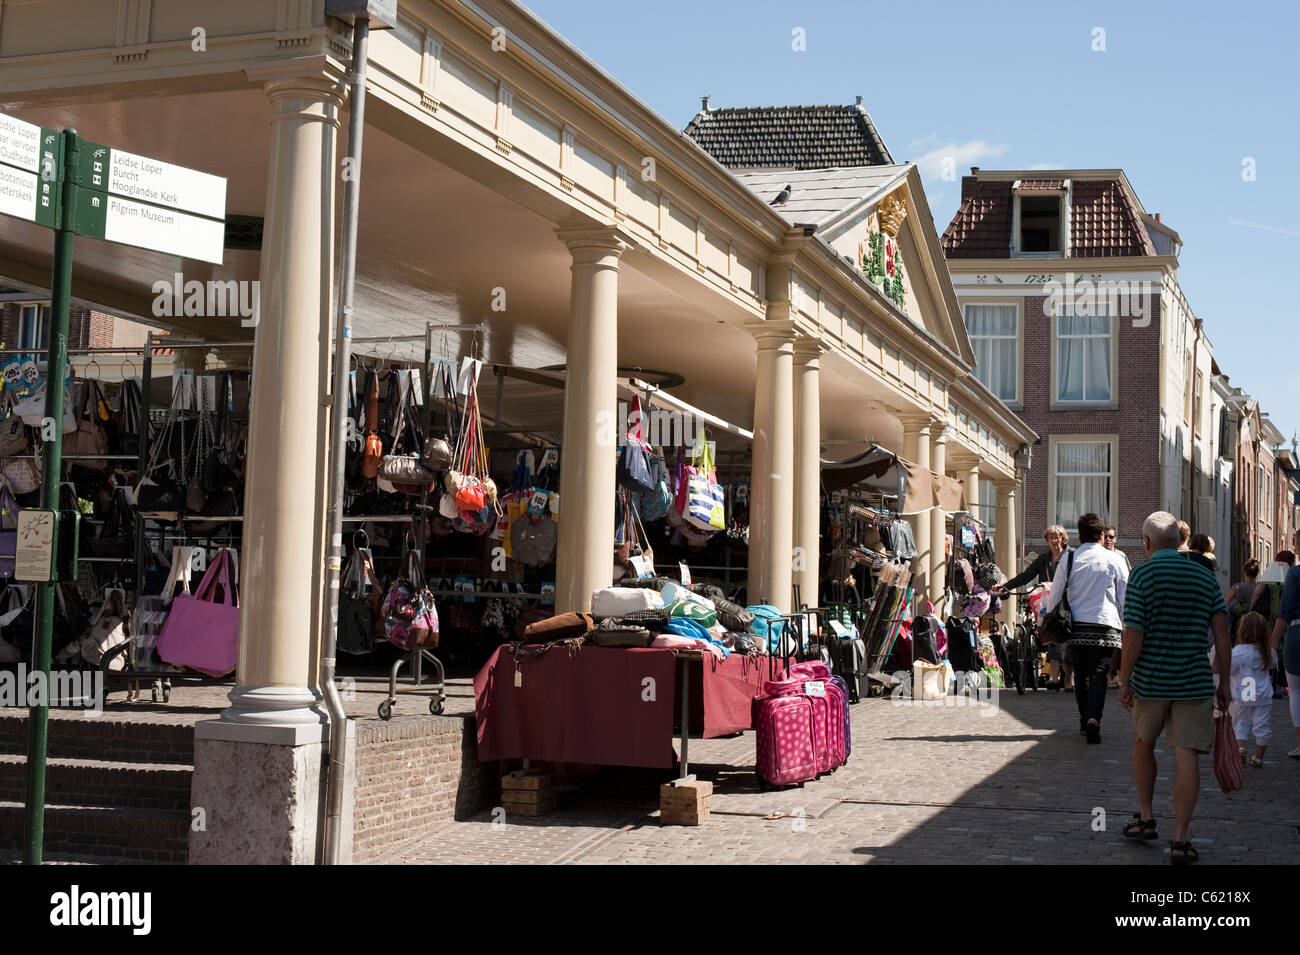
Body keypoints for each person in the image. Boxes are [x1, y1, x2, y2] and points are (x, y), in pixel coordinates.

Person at [1118, 511, 1232, 865]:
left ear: (1147, 543)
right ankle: (1181, 839)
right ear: (1179, 541)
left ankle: (1147, 816)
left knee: (1143, 744)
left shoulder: (1143, 574)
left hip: (1151, 680)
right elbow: (1222, 632)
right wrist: (1224, 682)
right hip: (1193, 680)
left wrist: (1124, 680)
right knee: (1187, 758)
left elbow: (1133, 633)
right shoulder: (1204, 575)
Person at [1042, 513, 1128, 742]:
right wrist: (1125, 623)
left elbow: (1056, 591)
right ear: (1102, 535)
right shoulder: (1114, 560)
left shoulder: (1070, 559)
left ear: (1079, 536)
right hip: (1105, 624)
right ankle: (1094, 718)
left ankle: (1084, 720)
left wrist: (1049, 615)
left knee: (1080, 674)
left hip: (1076, 625)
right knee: (1100, 673)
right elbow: (1124, 597)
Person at [993, 525, 1072, 689]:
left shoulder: (1071, 556)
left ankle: (1067, 680)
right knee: (1053, 637)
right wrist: (1006, 587)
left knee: (1068, 639)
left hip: (1069, 602)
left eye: (1057, 537)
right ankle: (1056, 680)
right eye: (1050, 538)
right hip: (1049, 604)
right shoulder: (1043, 560)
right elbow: (1026, 576)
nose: (1054, 541)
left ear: (1063, 539)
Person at [1216, 612, 1275, 767]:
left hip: (1243, 695)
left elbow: (1230, 670)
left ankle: (1241, 748)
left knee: (1241, 723)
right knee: (1261, 725)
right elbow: (1273, 664)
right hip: (1263, 696)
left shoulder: (1236, 652)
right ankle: (1259, 757)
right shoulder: (1267, 652)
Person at [1268, 531, 1300, 759]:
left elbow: (1285, 611)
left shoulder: (1295, 574)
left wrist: (1271, 646)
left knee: (1296, 693)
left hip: (1297, 634)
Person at [1228, 559, 1266, 635]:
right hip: (1256, 623)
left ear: (1244, 572)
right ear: (1257, 573)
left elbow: (1226, 603)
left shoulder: (1237, 587)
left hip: (1240, 623)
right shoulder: (1261, 589)